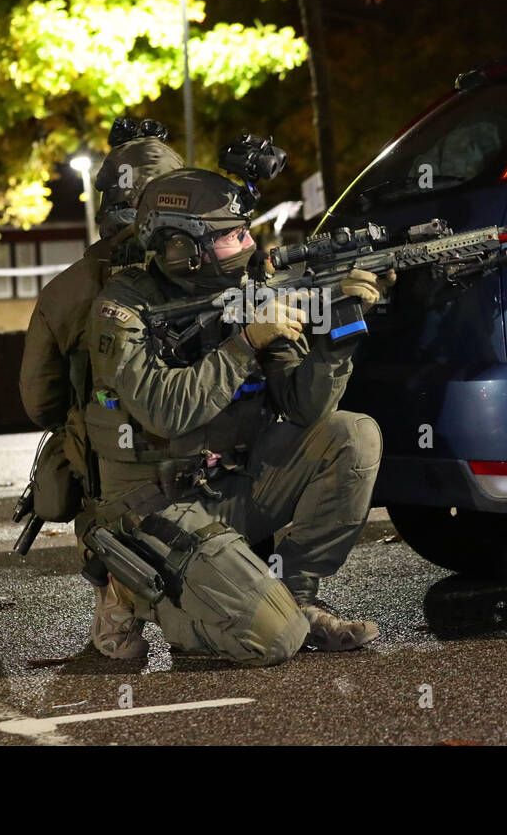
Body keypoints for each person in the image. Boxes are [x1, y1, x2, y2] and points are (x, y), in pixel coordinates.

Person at [79, 166, 394, 665]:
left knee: (352, 435)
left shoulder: (248, 290)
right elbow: (163, 410)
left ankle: (298, 594)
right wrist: (247, 343)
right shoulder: (123, 307)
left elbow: (304, 406)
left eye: (245, 230)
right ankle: (131, 588)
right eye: (232, 236)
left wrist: (342, 328)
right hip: (155, 507)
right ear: (182, 246)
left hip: (231, 485)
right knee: (275, 642)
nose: (248, 244)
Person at [18, 119, 183, 542]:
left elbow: (41, 403)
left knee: (115, 590)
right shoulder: (214, 272)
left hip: (110, 487)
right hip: (209, 474)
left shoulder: (65, 290)